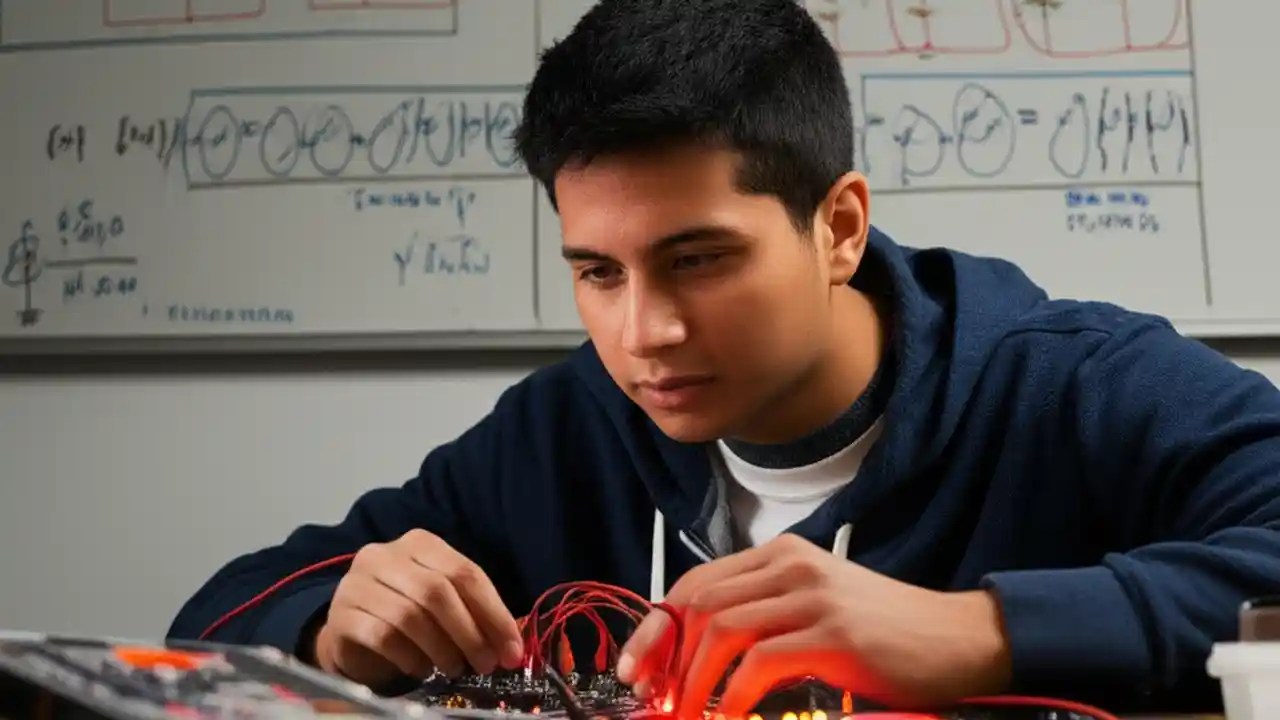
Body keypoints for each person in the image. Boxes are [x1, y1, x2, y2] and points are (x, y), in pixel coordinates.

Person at [167, 0, 1280, 715]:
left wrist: (976, 631)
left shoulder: (1069, 384)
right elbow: (208, 619)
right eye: (597, 271)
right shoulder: (560, 431)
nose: (642, 333)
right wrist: (325, 627)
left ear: (837, 226)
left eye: (697, 260)